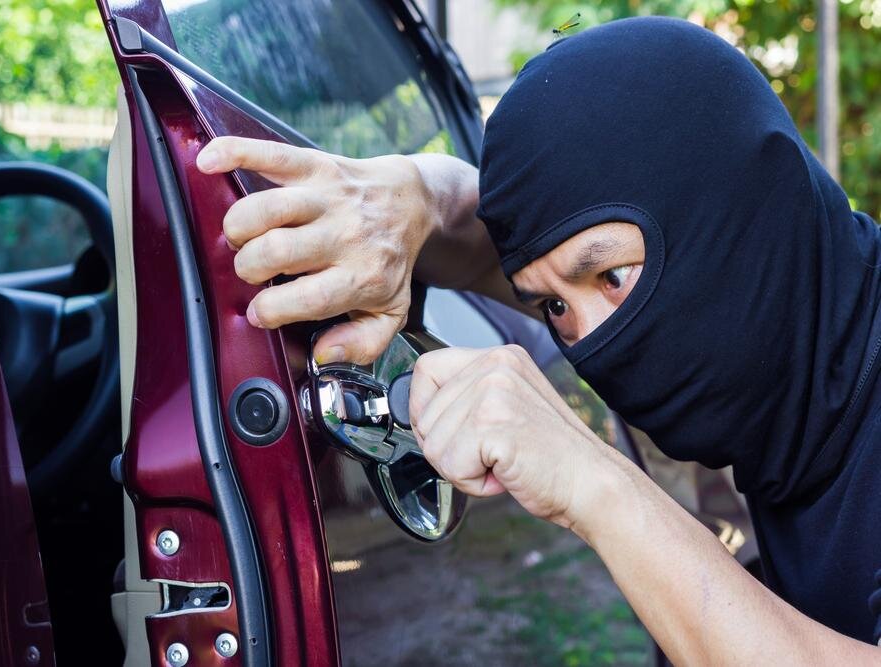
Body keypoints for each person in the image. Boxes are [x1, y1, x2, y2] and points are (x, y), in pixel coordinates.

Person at [195, 16, 881, 664]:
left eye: (612, 275)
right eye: (553, 306)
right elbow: (505, 247)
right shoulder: (810, 336)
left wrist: (595, 484)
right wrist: (420, 199)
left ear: (741, 213)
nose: (594, 342)